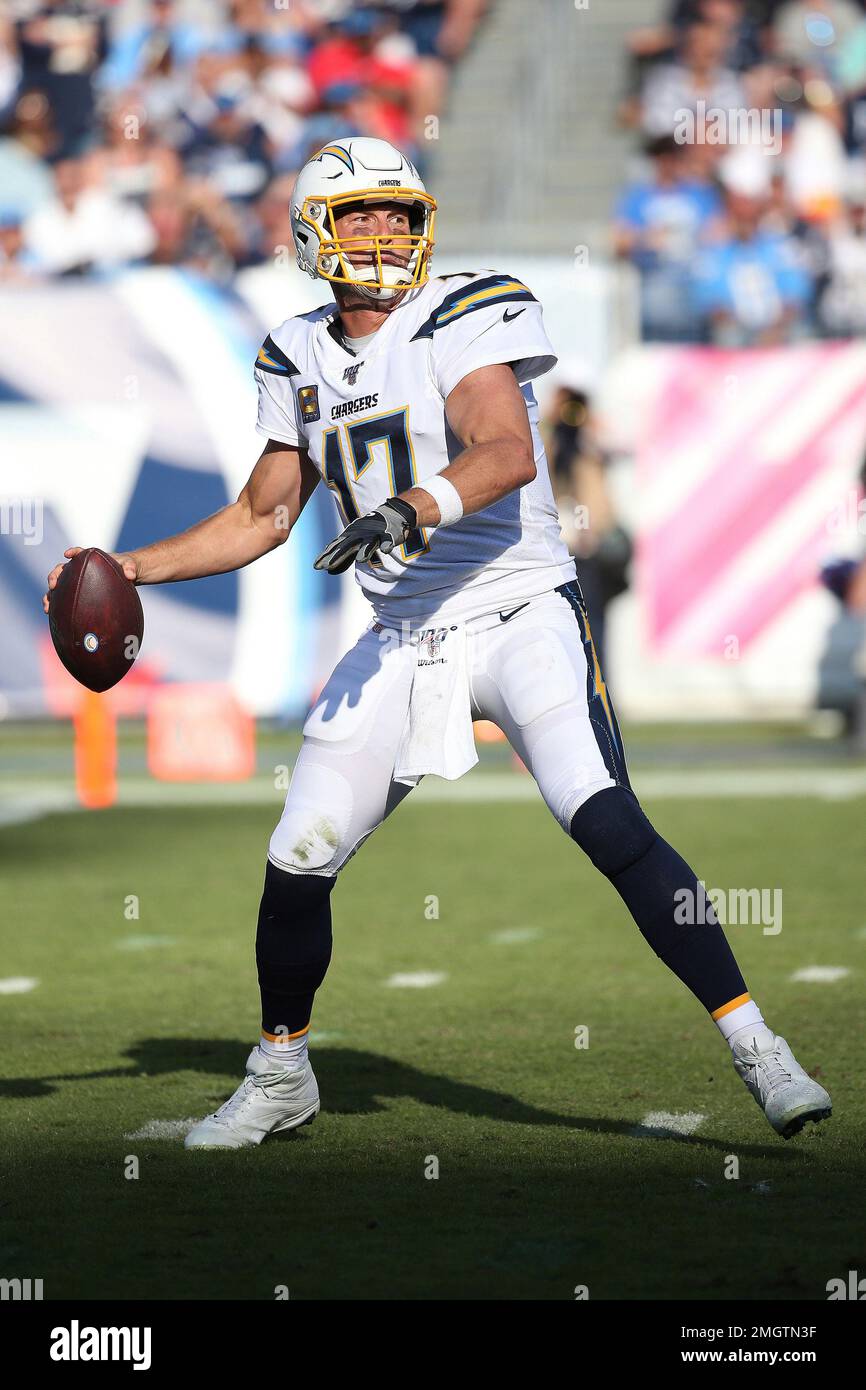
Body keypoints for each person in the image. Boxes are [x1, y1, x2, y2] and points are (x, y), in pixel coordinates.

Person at [44, 136, 832, 1149]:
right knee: (297, 853)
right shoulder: (294, 352)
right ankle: (281, 1071)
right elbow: (261, 512)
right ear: (309, 234)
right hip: (404, 631)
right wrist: (128, 566)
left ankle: (754, 1043)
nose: (381, 234)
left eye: (395, 214)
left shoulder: (461, 309)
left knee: (598, 815)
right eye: (359, 216)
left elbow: (502, 447)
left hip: (516, 608)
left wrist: (413, 507)